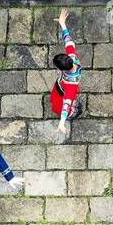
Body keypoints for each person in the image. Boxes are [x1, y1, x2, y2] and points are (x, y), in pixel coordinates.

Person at [50, 8, 83, 141]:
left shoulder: (71, 87)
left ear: (62, 69)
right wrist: (63, 24)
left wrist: (61, 122)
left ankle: (75, 113)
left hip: (62, 91)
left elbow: (66, 104)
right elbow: (68, 41)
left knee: (60, 106)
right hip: (62, 87)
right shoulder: (72, 58)